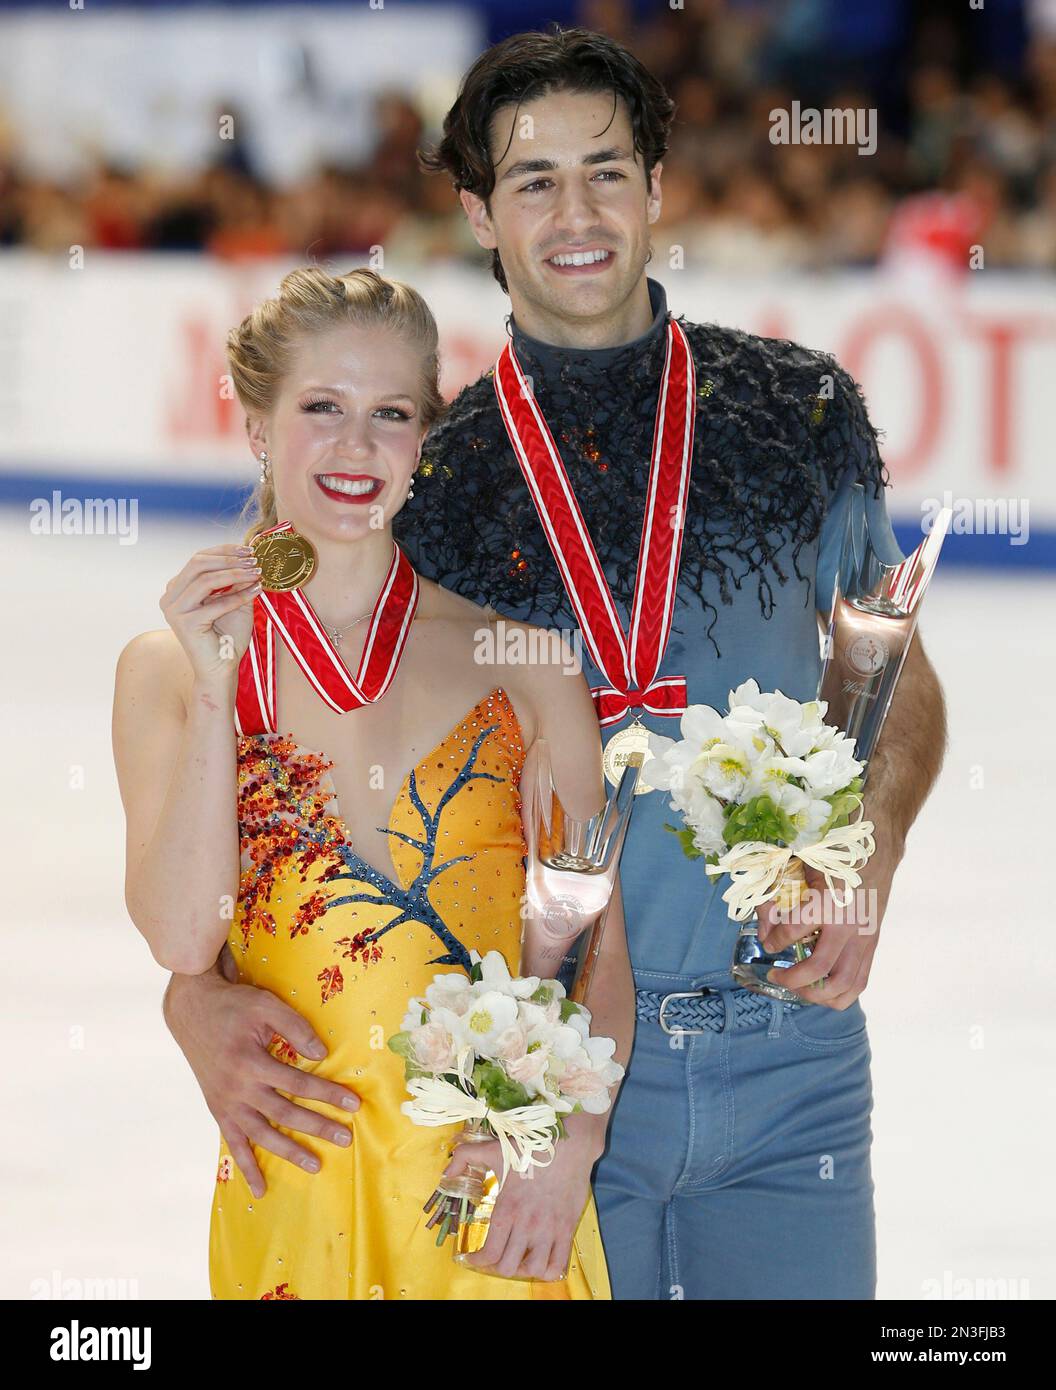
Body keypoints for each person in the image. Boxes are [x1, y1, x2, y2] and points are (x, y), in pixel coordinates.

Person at [161, 27, 947, 1300]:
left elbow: (894, 669)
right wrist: (189, 996)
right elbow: (287, 765)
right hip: (542, 1091)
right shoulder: (429, 475)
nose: (575, 212)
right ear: (478, 209)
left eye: (606, 170)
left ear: (657, 186)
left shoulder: (799, 412)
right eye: (533, 180)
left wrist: (881, 839)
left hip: (792, 1055)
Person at [112, 265, 634, 1299]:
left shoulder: (523, 664)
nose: (357, 448)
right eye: (322, 408)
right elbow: (182, 939)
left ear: (424, 439)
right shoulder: (169, 671)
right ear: (256, 421)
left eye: (391, 414)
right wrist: (221, 695)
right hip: (300, 1197)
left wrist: (568, 1145)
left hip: (498, 1203)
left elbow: (599, 953)